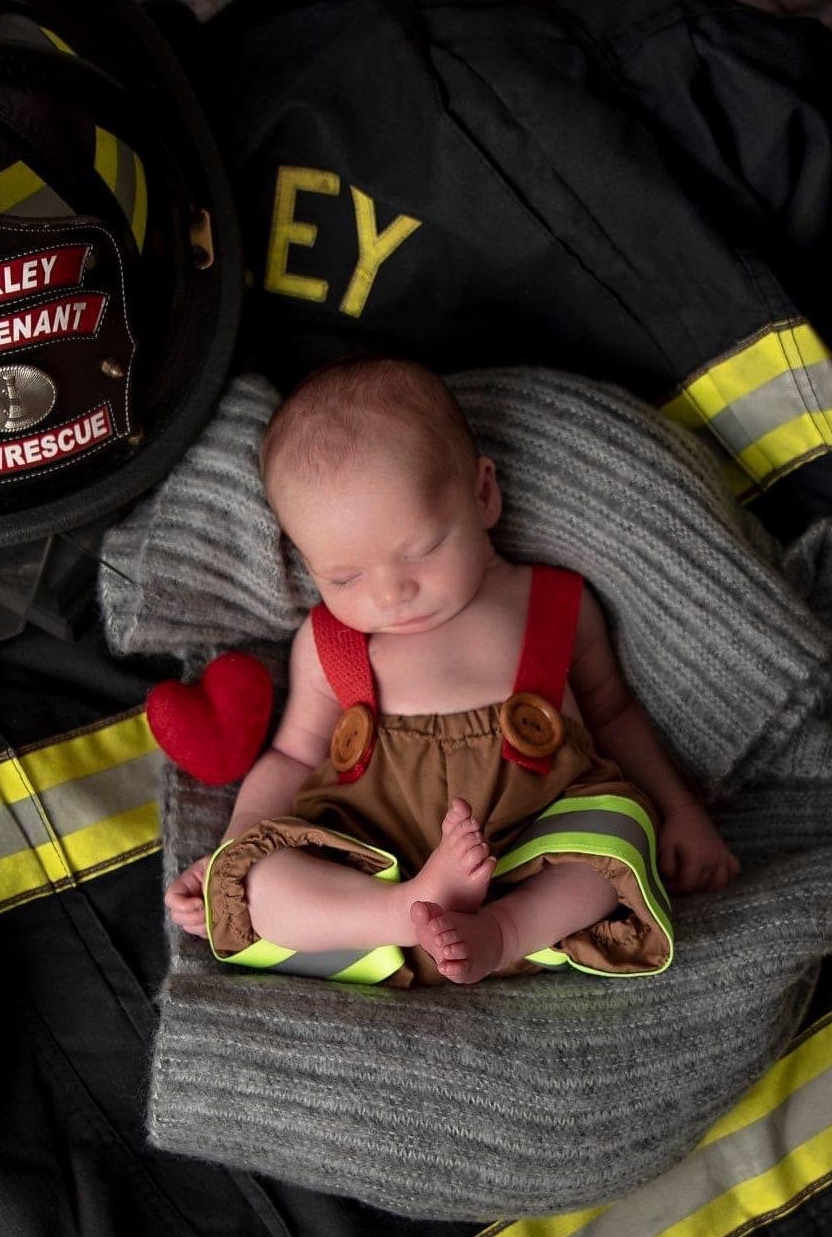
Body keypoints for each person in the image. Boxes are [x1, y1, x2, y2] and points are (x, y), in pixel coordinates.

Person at [166, 357, 738, 987]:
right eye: (344, 577)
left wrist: (680, 810)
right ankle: (404, 910)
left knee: (621, 832)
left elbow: (614, 715)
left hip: (532, 856)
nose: (392, 594)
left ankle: (501, 932)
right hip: (369, 870)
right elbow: (292, 757)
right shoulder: (327, 643)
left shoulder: (552, 605)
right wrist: (233, 849)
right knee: (263, 883)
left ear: (483, 494)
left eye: (422, 549)